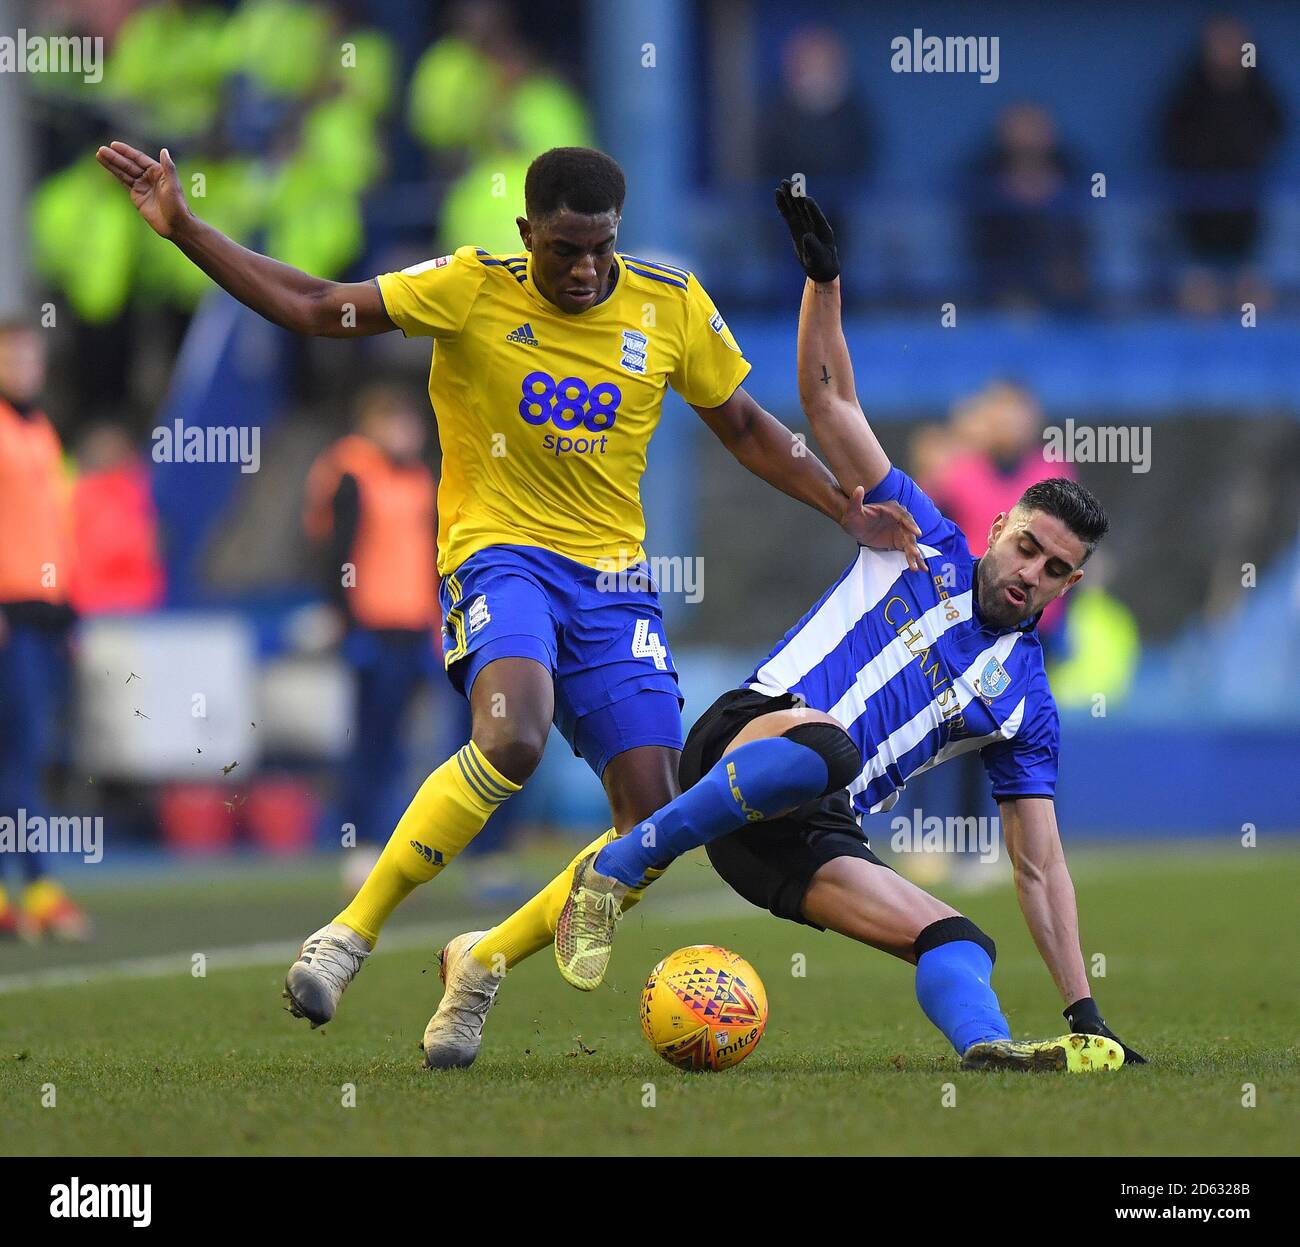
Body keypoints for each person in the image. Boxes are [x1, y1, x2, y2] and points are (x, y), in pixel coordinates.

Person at [95, 141, 921, 1059]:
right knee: (513, 735)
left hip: (612, 586)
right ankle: (350, 933)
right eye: (563, 247)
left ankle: (479, 962)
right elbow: (314, 306)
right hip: (500, 558)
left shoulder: (670, 303)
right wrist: (183, 229)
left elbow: (745, 426)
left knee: (650, 828)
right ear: (526, 232)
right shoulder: (468, 286)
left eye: (599, 246)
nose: (583, 268)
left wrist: (845, 506)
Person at [543, 185, 1145, 1072]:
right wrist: (823, 279)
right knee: (828, 746)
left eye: (1056, 569)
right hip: (747, 738)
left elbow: (1039, 867)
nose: (1031, 574)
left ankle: (987, 1050)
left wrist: (1084, 1008)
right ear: (997, 530)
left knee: (956, 938)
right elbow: (830, 407)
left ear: (1073, 582)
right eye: (1027, 547)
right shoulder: (919, 539)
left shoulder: (1027, 703)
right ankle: (622, 864)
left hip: (804, 836)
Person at [302, 385, 440, 890]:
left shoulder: (420, 479)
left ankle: (393, 843)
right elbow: (334, 549)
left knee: (402, 743)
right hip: (372, 626)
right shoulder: (353, 474)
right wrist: (342, 617)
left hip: (413, 626)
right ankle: (360, 843)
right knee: (370, 740)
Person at [0, 321, 90, 941]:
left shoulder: (41, 430)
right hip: (10, 611)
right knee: (18, 758)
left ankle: (28, 889)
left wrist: (70, 609)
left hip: (43, 614)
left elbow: (55, 528)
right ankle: (33, 887)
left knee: (26, 755)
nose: (26, 365)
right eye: (13, 355)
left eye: (32, 354)